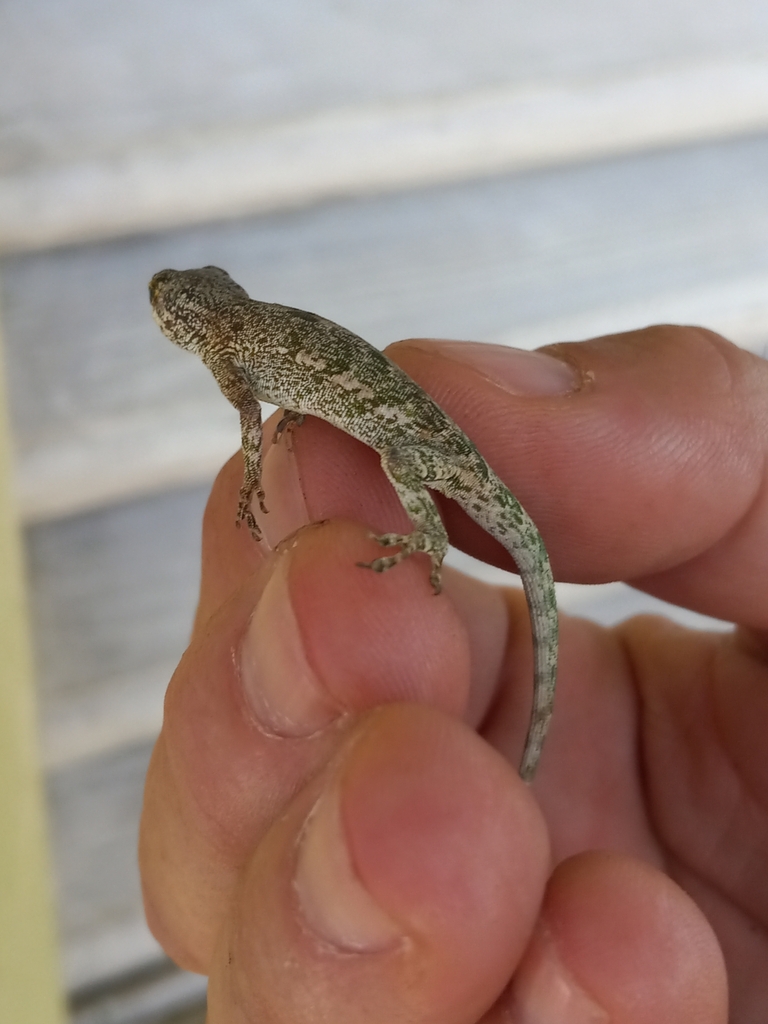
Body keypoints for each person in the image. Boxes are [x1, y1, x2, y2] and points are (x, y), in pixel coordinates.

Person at [140, 324, 765, 1022]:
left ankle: (427, 539)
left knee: (391, 487)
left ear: (186, 327)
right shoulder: (246, 339)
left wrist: (258, 472)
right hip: (411, 429)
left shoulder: (233, 357)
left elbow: (253, 426)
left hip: (424, 447)